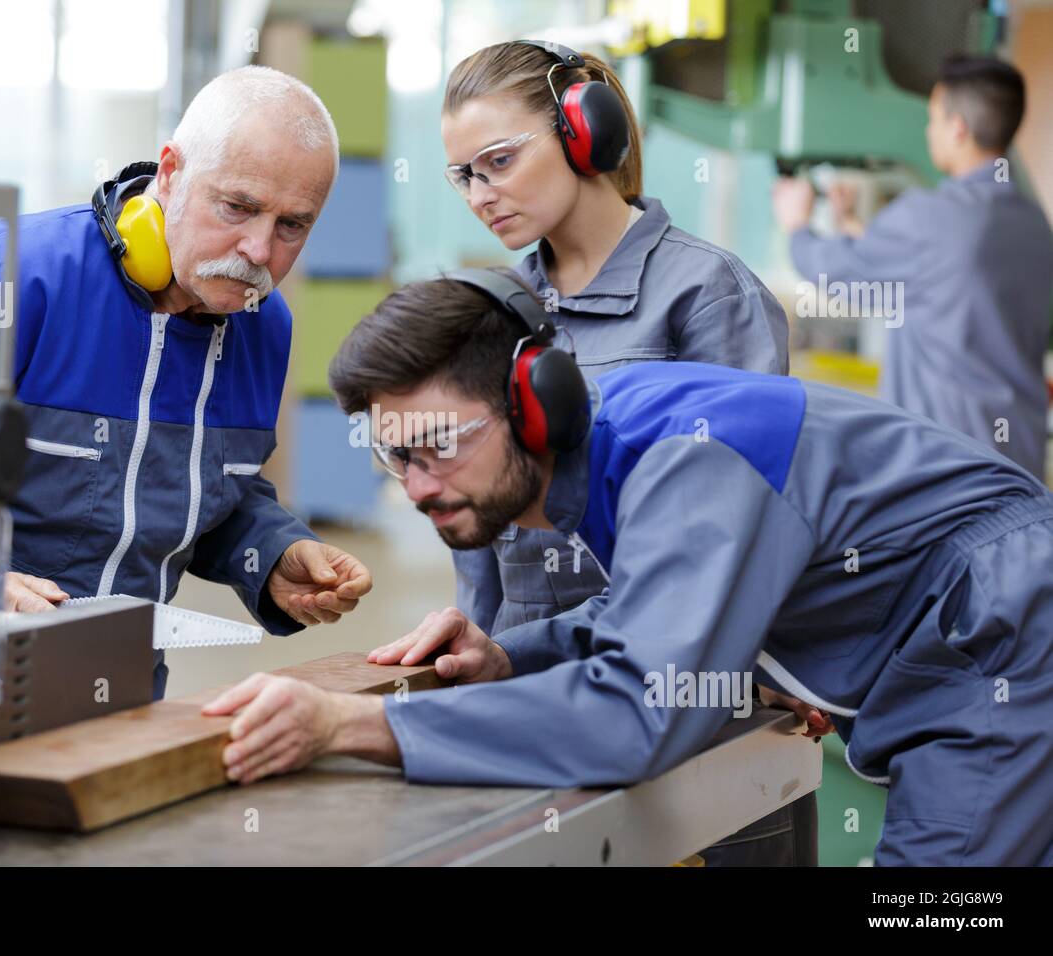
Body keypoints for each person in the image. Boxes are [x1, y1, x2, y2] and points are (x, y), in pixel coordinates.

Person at [203, 271, 1053, 866]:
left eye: (439, 446)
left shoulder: (690, 456)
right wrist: (511, 656)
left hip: (999, 635)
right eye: (397, 460)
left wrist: (346, 726)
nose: (420, 488)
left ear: (533, 403)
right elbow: (654, 615)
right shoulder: (621, 456)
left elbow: (644, 713)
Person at [0, 67, 372, 699]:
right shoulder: (1, 278)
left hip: (119, 687)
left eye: (293, 225)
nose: (260, 252)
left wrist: (271, 552)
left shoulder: (262, 327)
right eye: (238, 207)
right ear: (171, 173)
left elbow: (209, 494)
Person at [438, 40, 807, 863]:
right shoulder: (498, 311)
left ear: (583, 134)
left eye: (497, 161)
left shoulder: (706, 294)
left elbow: (750, 522)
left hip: (693, 691)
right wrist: (469, 649)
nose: (480, 195)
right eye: (463, 175)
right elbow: (484, 535)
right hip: (536, 686)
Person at [774, 54, 1053, 482]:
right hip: (1023, 462)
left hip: (945, 464)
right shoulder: (1034, 223)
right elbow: (938, 277)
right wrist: (852, 226)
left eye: (934, 119)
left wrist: (797, 226)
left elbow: (834, 273)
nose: (929, 131)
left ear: (958, 129)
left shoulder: (930, 216)